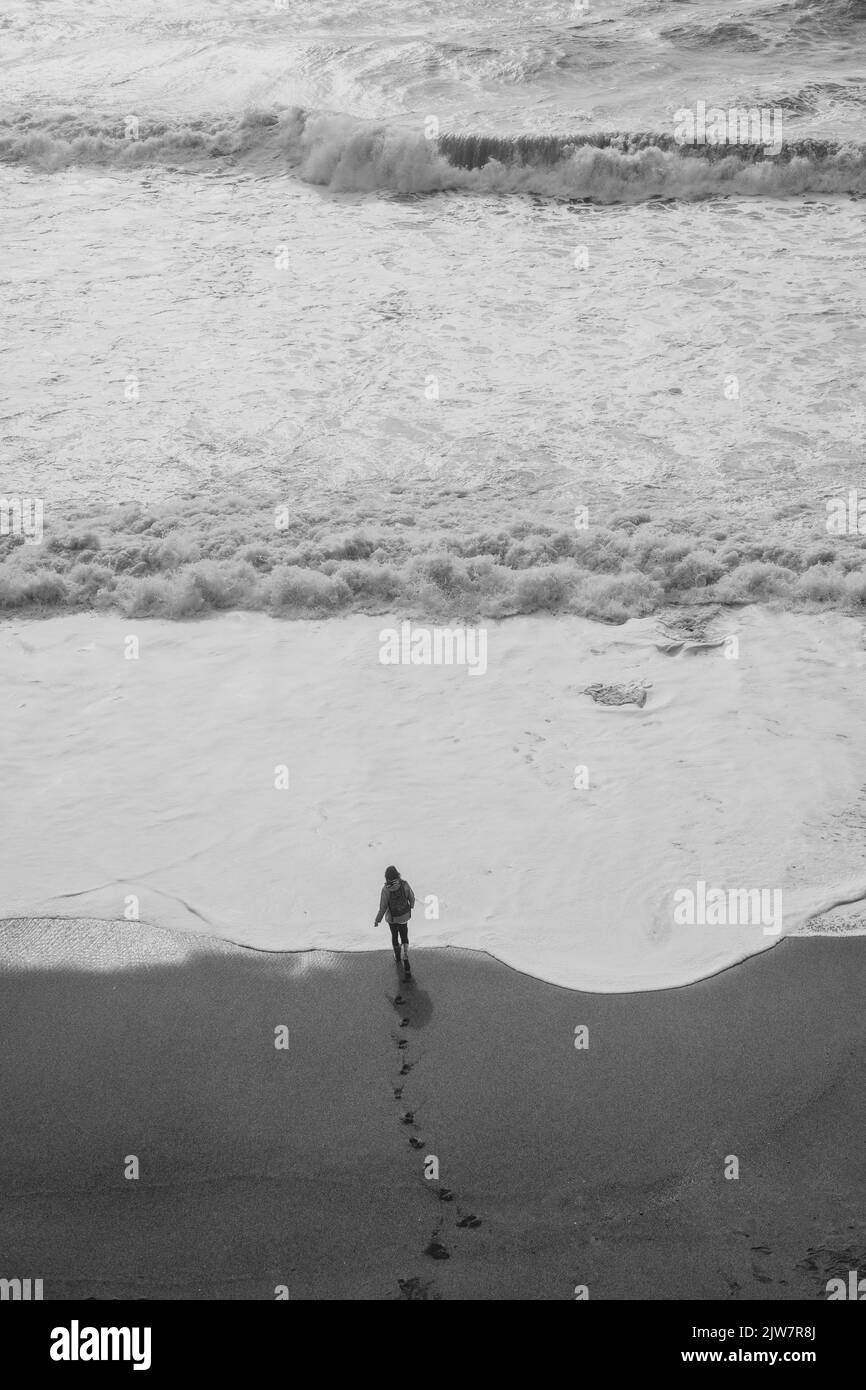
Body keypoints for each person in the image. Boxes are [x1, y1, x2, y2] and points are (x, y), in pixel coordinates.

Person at [374, 865, 415, 975]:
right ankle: (405, 956)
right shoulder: (404, 884)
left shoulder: (385, 889)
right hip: (404, 916)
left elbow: (383, 907)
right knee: (404, 935)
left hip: (392, 918)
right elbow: (412, 897)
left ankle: (397, 957)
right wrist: (410, 906)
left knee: (394, 936)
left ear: (386, 877)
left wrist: (377, 920)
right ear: (397, 874)